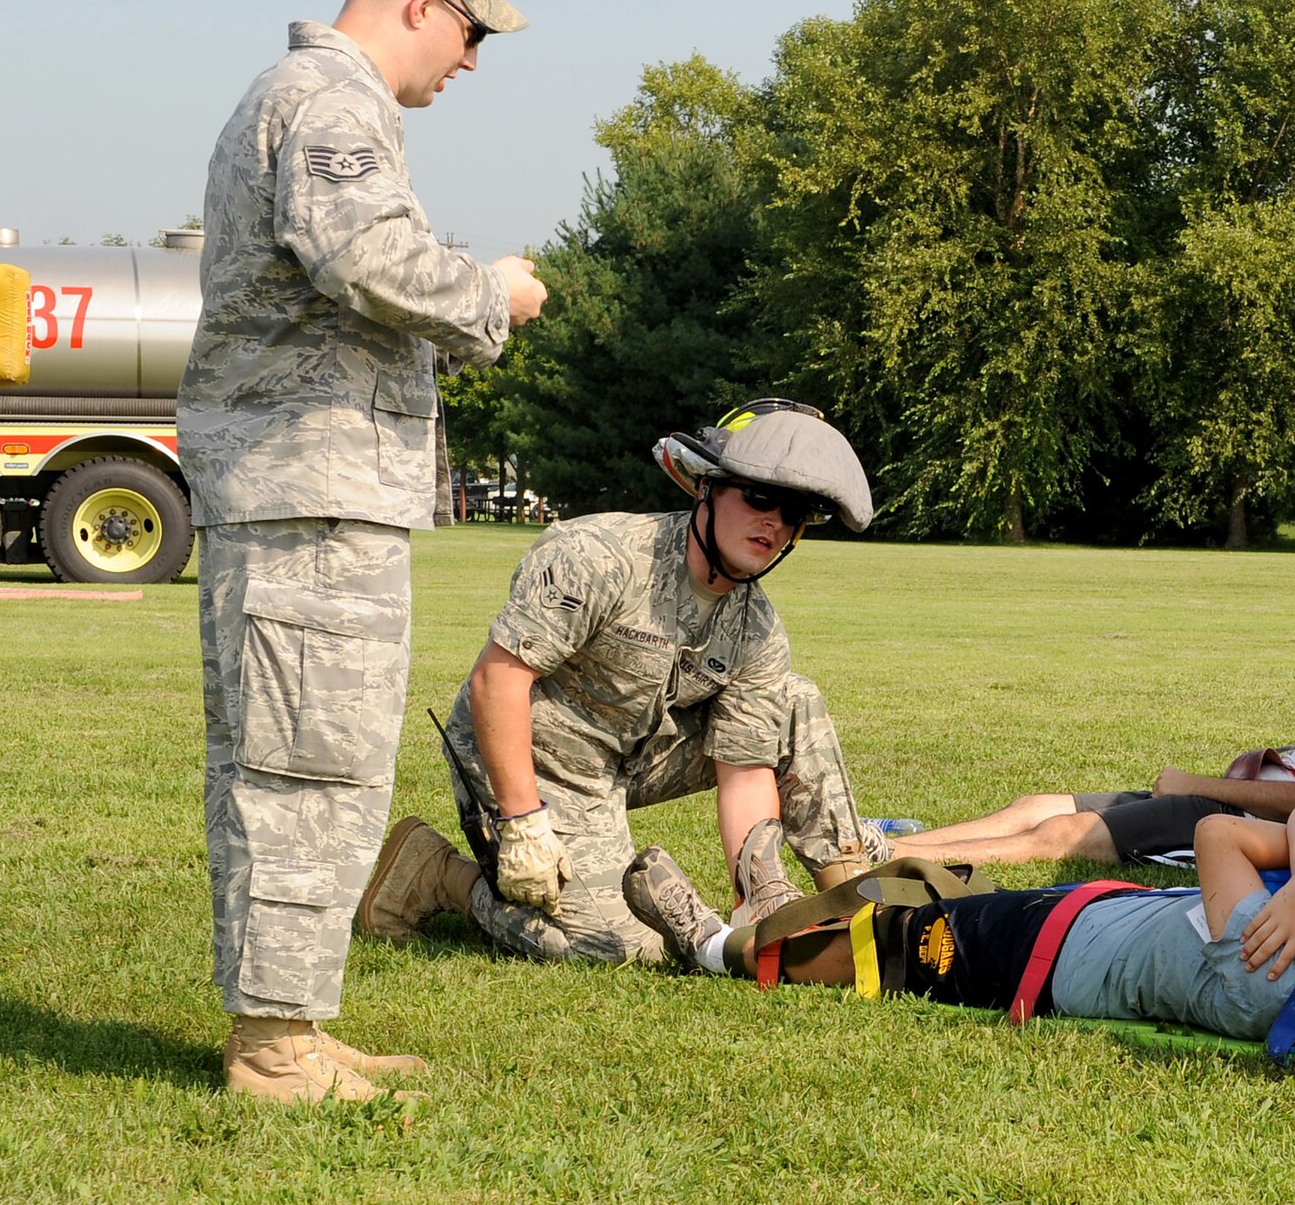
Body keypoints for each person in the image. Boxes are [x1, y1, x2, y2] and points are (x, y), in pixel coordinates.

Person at [180, 0, 547, 1105]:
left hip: (304, 488)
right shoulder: (332, 103)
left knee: (298, 763)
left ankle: (286, 1020)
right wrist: (490, 293)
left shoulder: (305, 98)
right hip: (309, 489)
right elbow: (366, 258)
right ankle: (276, 1048)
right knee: (306, 768)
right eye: (474, 32)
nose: (473, 61)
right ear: (425, 1)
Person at [357, 400, 896, 969]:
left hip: (631, 756)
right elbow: (499, 680)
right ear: (706, 488)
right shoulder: (601, 557)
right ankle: (439, 875)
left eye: (795, 512)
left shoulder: (757, 630)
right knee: (620, 948)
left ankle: (850, 902)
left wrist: (758, 899)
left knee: (793, 698)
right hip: (532, 757)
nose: (775, 522)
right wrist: (521, 821)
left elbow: (745, 771)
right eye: (759, 496)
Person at [623, 783, 1295, 1045]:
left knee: (893, 946)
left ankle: (715, 943)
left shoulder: (1280, 966)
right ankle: (775, 902)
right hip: (1089, 917)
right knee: (923, 882)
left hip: (1041, 960)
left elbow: (1221, 832)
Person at [890, 621, 1295, 868]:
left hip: (1240, 824)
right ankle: (888, 847)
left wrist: (1193, 784)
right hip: (1225, 807)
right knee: (1034, 807)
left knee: (1061, 835)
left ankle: (896, 859)